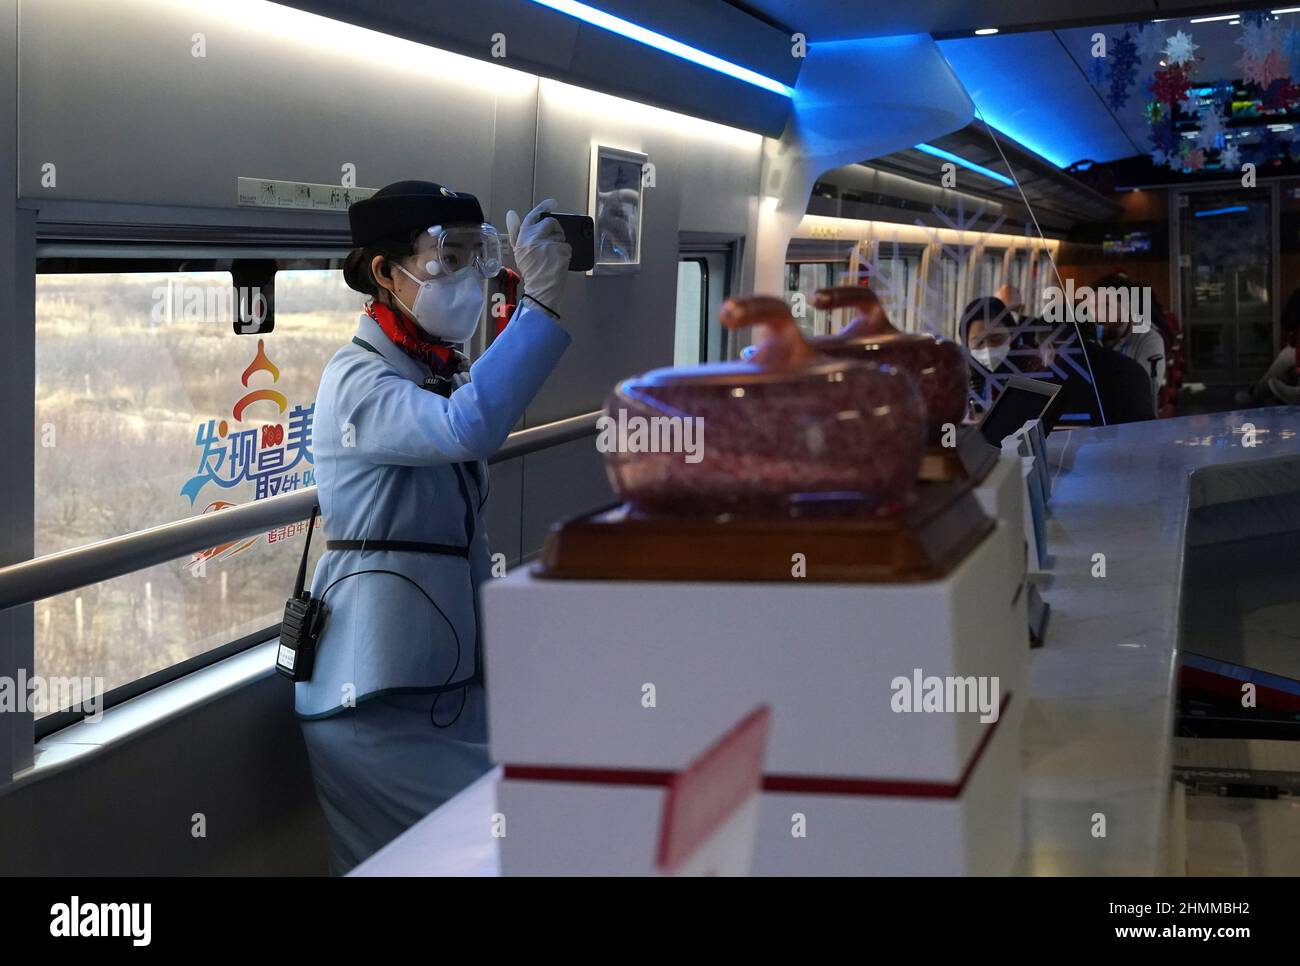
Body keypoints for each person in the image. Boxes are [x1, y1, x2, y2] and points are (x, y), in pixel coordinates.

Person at [295, 181, 572, 874]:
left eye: (478, 256)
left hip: (437, 680)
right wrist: (536, 308)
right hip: (376, 693)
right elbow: (470, 427)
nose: (467, 278)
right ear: (386, 272)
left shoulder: (434, 369)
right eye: (447, 257)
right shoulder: (358, 379)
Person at [1093, 272, 1165, 412]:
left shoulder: (1149, 339)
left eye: (1106, 306)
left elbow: (1143, 393)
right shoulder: (1089, 339)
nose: (1097, 315)